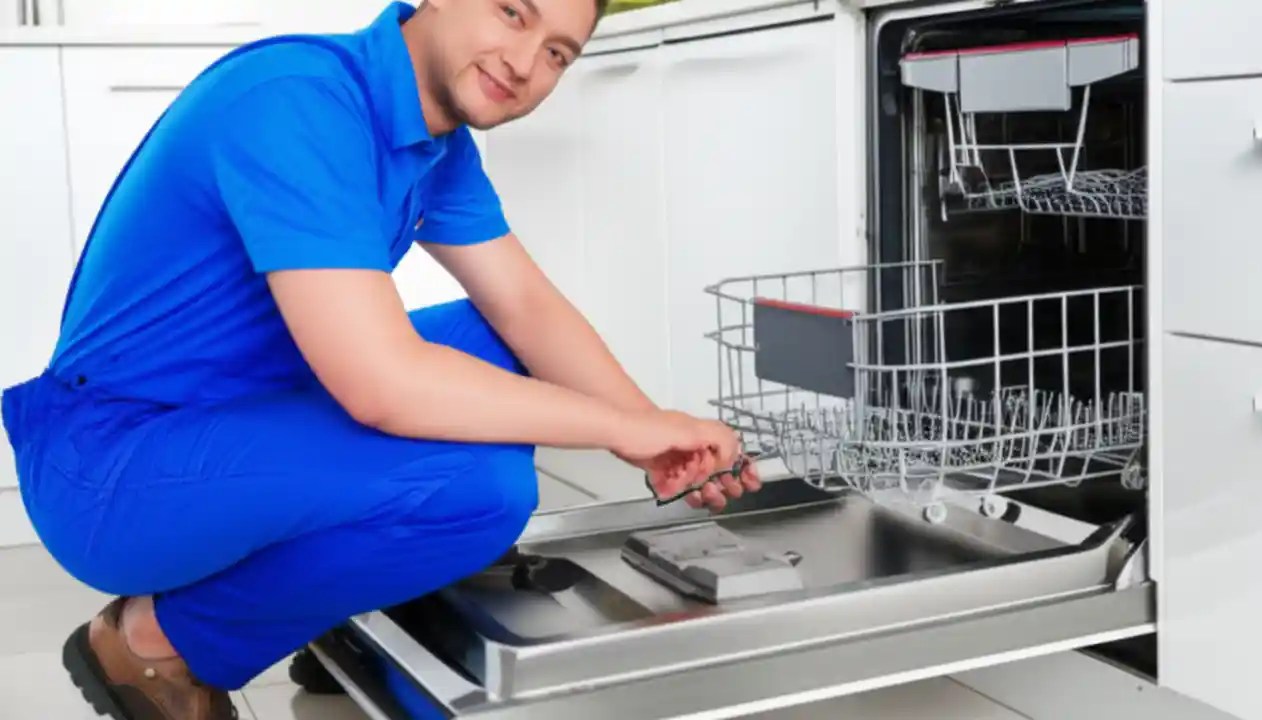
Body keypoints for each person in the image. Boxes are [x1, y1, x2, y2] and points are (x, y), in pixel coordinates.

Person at [0, 0, 762, 717]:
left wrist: (655, 433)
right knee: (476, 490)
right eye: (512, 12)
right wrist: (619, 427)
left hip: (240, 414)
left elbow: (525, 307)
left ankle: (328, 605)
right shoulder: (296, 101)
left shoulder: (437, 144)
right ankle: (153, 642)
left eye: (558, 53)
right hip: (110, 469)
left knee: (499, 344)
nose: (526, 61)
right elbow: (381, 385)